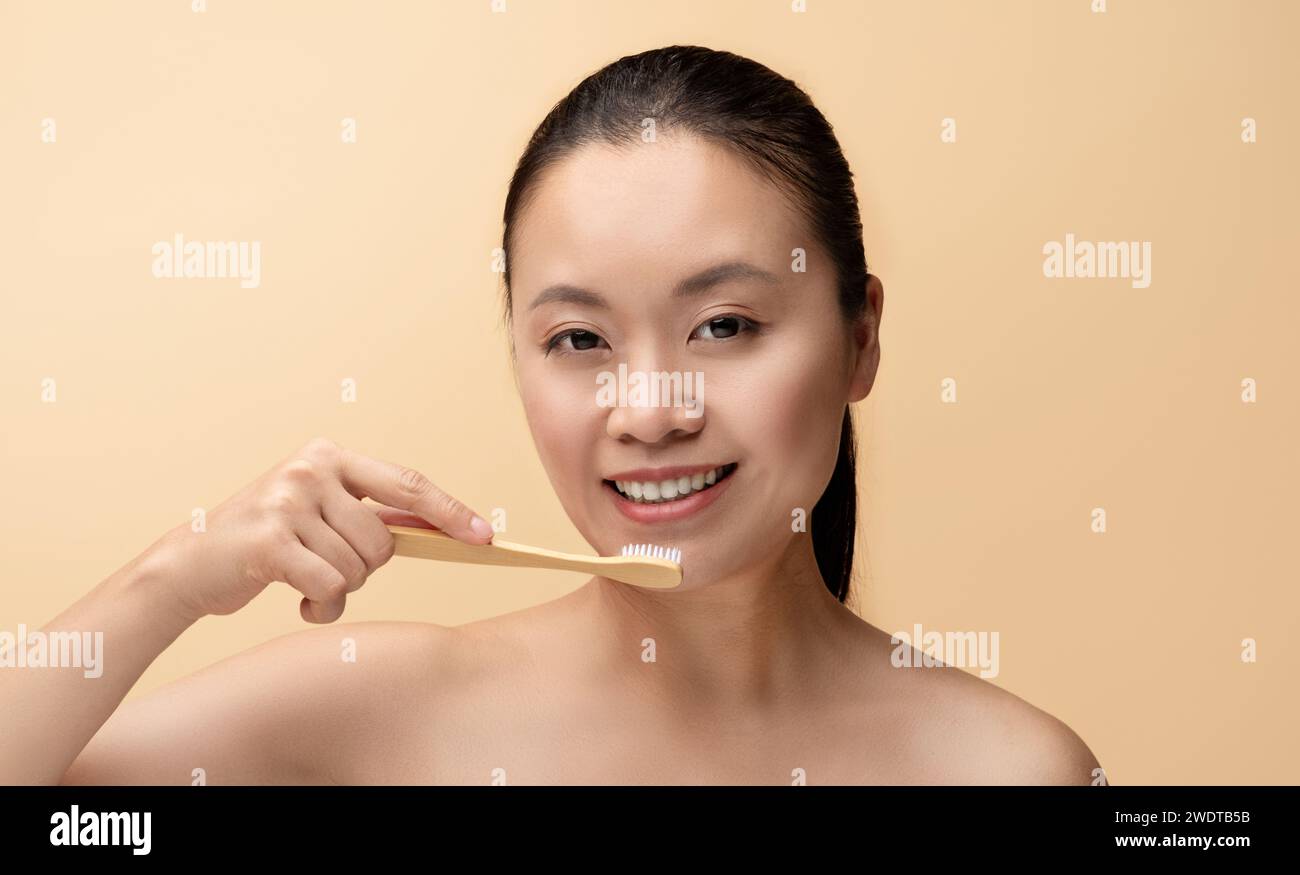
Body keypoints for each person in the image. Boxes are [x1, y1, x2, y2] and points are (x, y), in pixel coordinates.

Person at [1, 45, 1100, 785]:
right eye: (579, 340)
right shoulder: (375, 713)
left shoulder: (1011, 765)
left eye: (722, 325)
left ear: (859, 337)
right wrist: (172, 579)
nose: (650, 411)